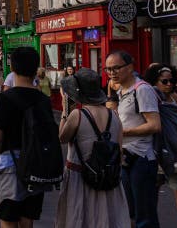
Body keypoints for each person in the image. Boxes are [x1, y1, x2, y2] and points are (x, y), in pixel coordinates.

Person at [55, 68, 128, 228]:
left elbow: (62, 138)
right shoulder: (115, 115)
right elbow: (119, 149)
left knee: (80, 218)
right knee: (106, 219)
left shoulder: (78, 115)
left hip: (80, 177)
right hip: (108, 178)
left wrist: (65, 113)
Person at [0, 48, 51, 227]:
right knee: (27, 218)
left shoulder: (6, 99)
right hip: (36, 164)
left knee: (8, 218)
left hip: (10, 162)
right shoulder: (43, 100)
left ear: (12, 68)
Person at [105, 51, 161, 228]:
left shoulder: (142, 90)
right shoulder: (122, 90)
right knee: (129, 211)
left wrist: (123, 132)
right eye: (108, 69)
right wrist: (110, 92)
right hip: (125, 157)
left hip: (142, 159)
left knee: (144, 215)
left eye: (116, 68)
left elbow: (154, 125)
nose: (112, 73)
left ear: (130, 67)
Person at [143, 64, 177, 228]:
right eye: (164, 81)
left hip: (176, 153)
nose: (169, 84)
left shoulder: (172, 97)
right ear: (153, 82)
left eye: (171, 80)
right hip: (156, 152)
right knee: (153, 194)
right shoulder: (148, 97)